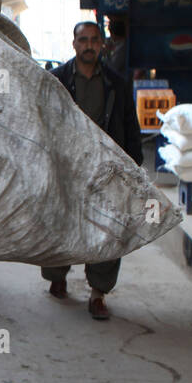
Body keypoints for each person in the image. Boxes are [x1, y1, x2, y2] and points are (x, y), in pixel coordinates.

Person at [43, 20, 144, 320]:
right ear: (74, 44)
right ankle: (57, 275)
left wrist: (134, 163)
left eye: (94, 40)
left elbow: (129, 124)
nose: (89, 45)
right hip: (67, 166)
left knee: (108, 230)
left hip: (106, 169)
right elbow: (46, 124)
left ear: (103, 45)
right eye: (83, 40)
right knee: (61, 224)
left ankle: (98, 293)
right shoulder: (57, 80)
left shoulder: (117, 83)